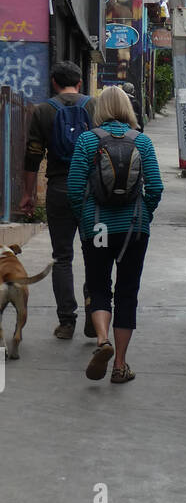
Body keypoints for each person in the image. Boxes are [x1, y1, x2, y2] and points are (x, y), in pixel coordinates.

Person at [67, 84, 163, 383]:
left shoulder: (86, 140)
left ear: (100, 110)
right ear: (127, 108)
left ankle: (102, 340)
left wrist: (85, 220)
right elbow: (156, 187)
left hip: (97, 228)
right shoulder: (142, 142)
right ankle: (120, 365)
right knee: (127, 292)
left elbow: (73, 188)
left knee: (98, 287)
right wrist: (143, 214)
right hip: (134, 229)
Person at [21, 62, 96, 339]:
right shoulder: (94, 107)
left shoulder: (43, 111)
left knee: (62, 257)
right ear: (79, 82)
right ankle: (94, 311)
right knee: (94, 254)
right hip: (91, 194)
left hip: (60, 191)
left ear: (53, 83)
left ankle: (66, 321)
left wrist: (28, 194)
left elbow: (32, 156)